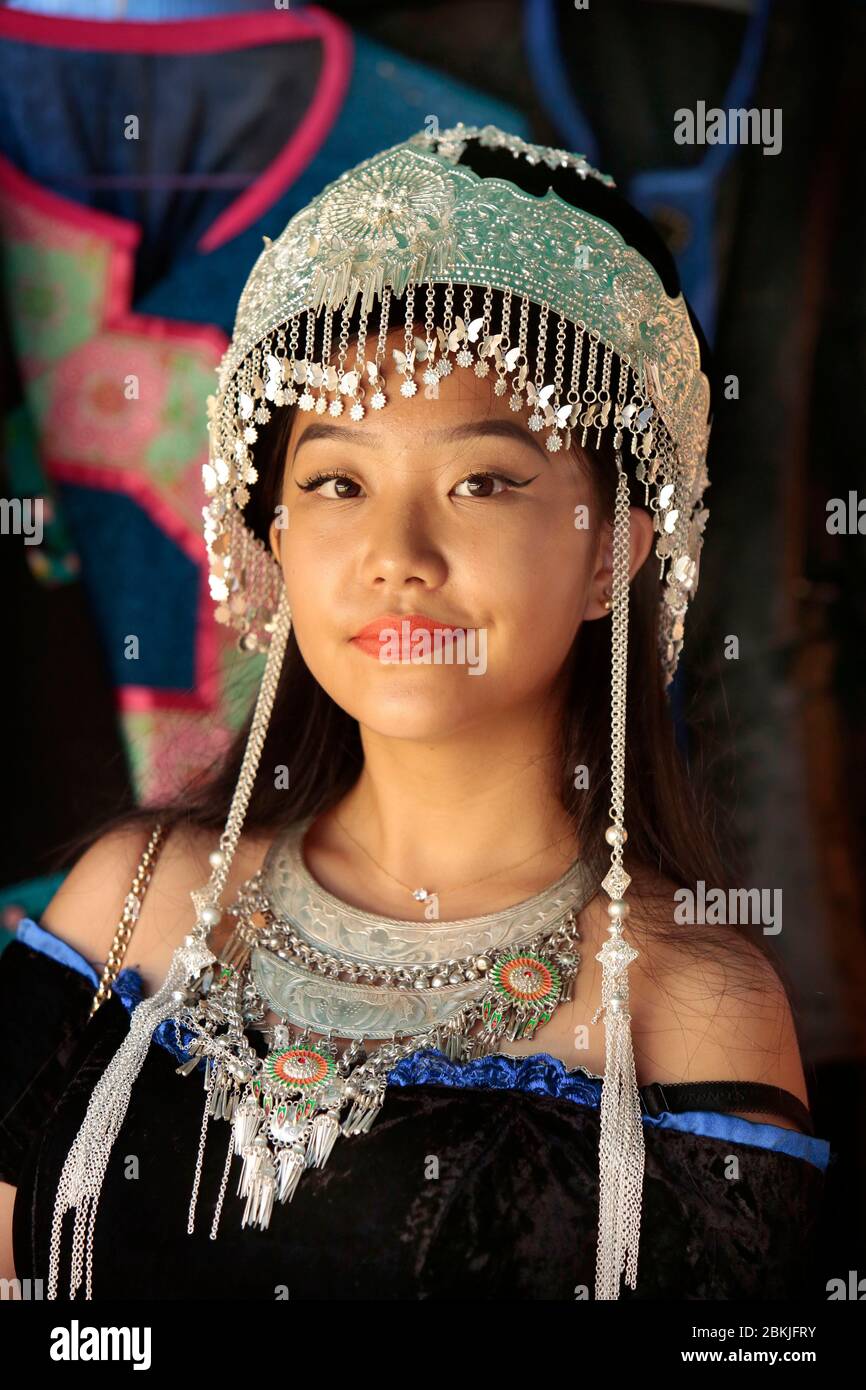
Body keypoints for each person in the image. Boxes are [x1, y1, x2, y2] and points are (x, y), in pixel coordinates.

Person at [0, 124, 829, 1302]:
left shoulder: (684, 1007)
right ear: (273, 538)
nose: (396, 556)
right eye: (336, 482)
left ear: (612, 552)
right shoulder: (124, 909)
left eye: (481, 481)